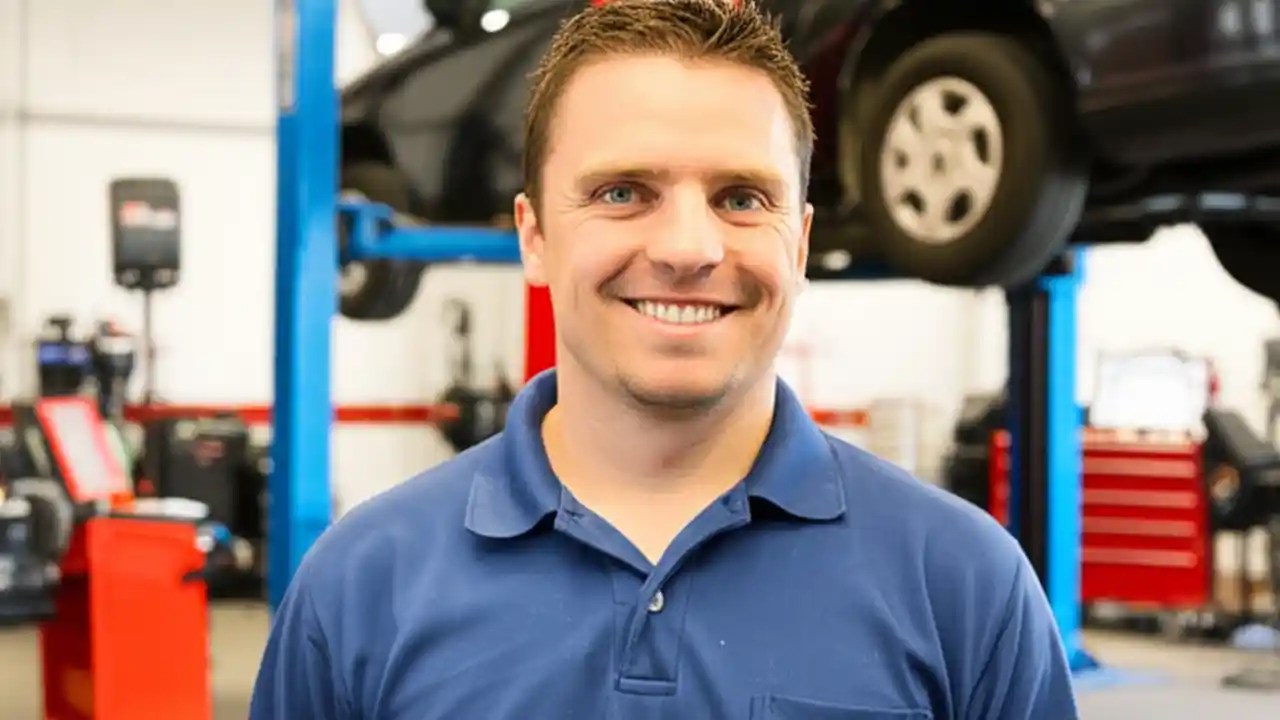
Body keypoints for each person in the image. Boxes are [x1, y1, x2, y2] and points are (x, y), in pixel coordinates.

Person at [249, 1, 1079, 718]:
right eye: (622, 193)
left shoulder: (963, 587)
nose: (688, 247)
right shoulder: (361, 587)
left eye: (741, 198)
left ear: (799, 244)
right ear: (534, 237)